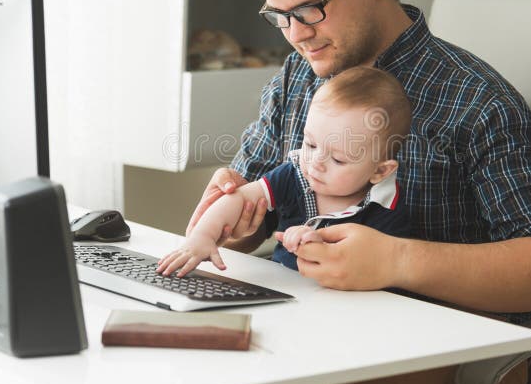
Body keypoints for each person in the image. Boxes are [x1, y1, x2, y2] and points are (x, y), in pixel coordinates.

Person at [183, 0, 531, 384]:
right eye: (279, 16)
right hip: (299, 331)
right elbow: (251, 225)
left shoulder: (477, 102)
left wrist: (396, 260)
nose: (296, 34)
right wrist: (233, 219)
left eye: (310, 8)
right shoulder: (297, 79)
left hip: (412, 356)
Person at [157, 67, 411, 277]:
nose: (316, 162)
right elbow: (239, 198)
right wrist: (203, 236)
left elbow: (371, 269)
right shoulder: (294, 174)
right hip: (283, 289)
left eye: (338, 159)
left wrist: (316, 243)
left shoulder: (387, 208)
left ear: (380, 171)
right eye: (310, 144)